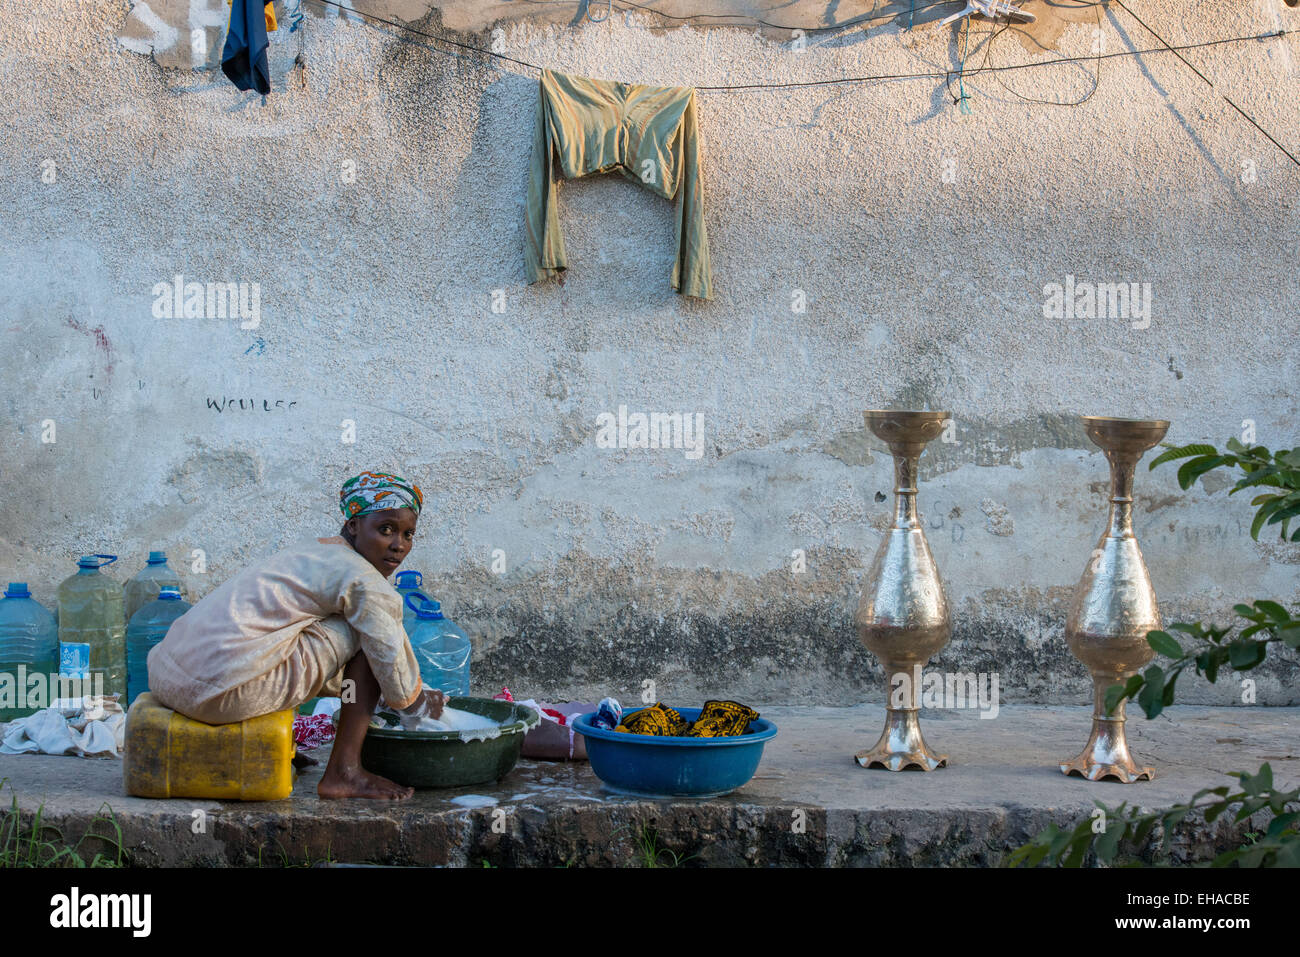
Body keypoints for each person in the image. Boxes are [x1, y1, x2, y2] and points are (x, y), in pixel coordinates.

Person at [147, 470, 445, 799]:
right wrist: (421, 707)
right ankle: (343, 773)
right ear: (353, 525)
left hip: (168, 678)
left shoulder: (315, 552)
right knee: (370, 631)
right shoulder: (363, 578)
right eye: (385, 529)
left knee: (308, 633)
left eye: (408, 534)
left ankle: (279, 748)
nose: (398, 545)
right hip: (219, 693)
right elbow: (389, 659)